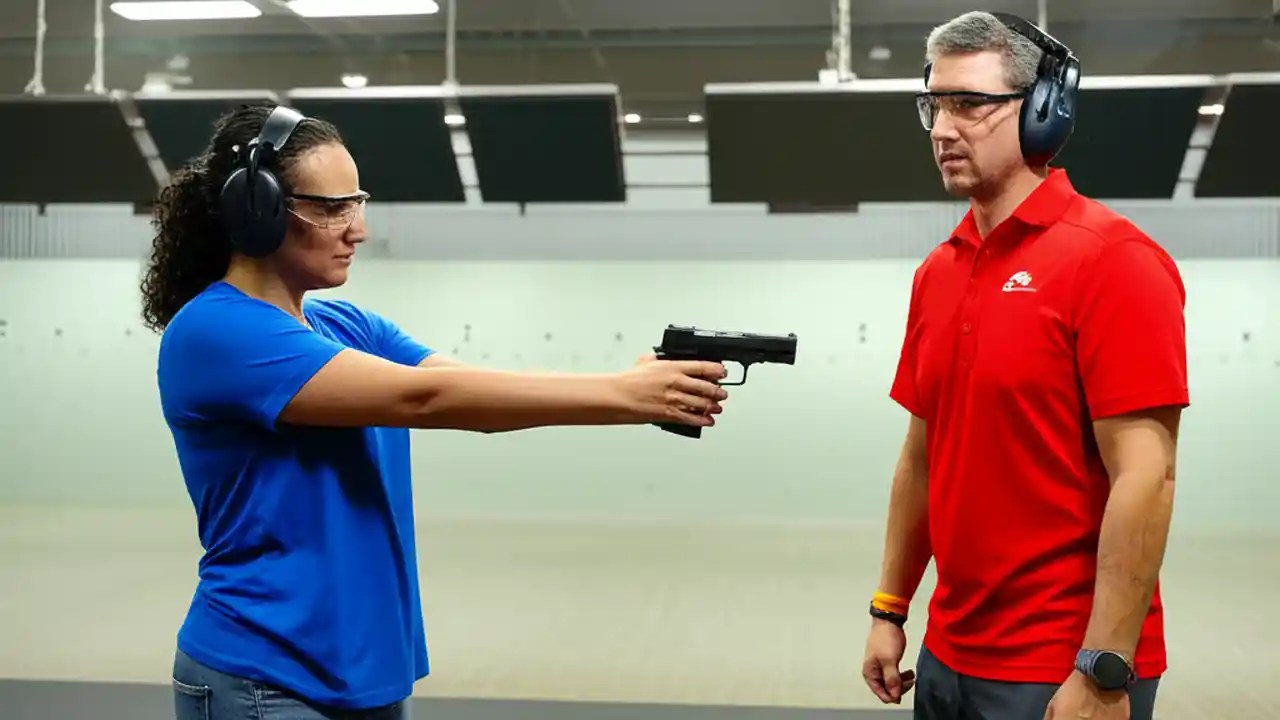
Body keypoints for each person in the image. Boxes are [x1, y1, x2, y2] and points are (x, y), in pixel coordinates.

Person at [140, 102, 730, 720]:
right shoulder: (217, 332)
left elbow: (464, 384)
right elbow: (425, 400)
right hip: (265, 675)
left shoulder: (340, 323)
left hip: (363, 672)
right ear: (254, 210)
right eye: (332, 207)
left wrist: (628, 386)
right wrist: (624, 396)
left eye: (357, 201)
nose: (358, 228)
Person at [859, 11, 1188, 720]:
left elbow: (1147, 475)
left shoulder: (1113, 261)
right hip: (948, 658)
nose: (943, 128)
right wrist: (890, 606)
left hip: (1060, 666)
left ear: (1043, 109)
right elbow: (922, 455)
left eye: (970, 104)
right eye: (934, 103)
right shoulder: (936, 273)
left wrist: (1103, 669)